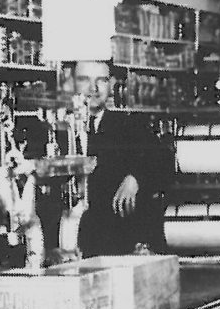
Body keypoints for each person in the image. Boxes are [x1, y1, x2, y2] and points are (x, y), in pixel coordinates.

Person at [71, 60, 170, 256]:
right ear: (71, 82)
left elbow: (163, 161)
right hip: (67, 241)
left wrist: (136, 178)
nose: (93, 88)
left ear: (112, 84)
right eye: (85, 80)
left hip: (115, 241)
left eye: (102, 80)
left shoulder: (128, 125)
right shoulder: (54, 129)